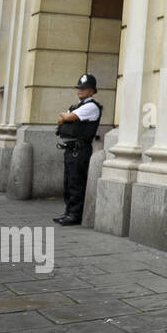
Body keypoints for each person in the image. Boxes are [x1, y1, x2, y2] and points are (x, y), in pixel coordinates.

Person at [54, 73, 102, 226]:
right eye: (79, 88)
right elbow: (61, 119)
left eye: (84, 88)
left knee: (76, 183)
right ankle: (69, 212)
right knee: (68, 182)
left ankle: (75, 215)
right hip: (71, 149)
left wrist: (66, 115)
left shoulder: (91, 106)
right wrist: (66, 115)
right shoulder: (77, 106)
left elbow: (66, 118)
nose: (80, 90)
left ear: (91, 91)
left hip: (79, 150)